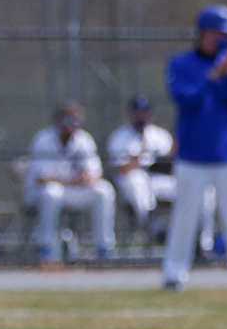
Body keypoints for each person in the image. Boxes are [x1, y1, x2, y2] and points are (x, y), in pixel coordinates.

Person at [161, 5, 227, 292]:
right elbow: (185, 100)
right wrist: (213, 78)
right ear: (205, 34)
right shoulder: (181, 63)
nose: (225, 39)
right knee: (186, 216)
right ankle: (174, 273)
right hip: (192, 156)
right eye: (221, 33)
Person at [23, 100, 115, 265]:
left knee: (104, 190)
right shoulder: (43, 139)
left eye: (76, 121)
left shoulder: (84, 139)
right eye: (68, 121)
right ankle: (46, 248)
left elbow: (95, 174)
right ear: (57, 121)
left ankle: (103, 248)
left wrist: (88, 178)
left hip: (73, 191)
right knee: (52, 192)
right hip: (41, 194)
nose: (72, 126)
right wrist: (75, 180)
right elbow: (42, 179)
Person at [106, 95, 177, 238]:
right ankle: (151, 227)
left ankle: (186, 234)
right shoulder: (119, 137)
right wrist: (140, 160)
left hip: (158, 179)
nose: (142, 116)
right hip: (131, 182)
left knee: (184, 186)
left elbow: (172, 161)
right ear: (131, 114)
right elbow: (121, 169)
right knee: (137, 181)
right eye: (138, 112)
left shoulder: (160, 135)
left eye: (145, 112)